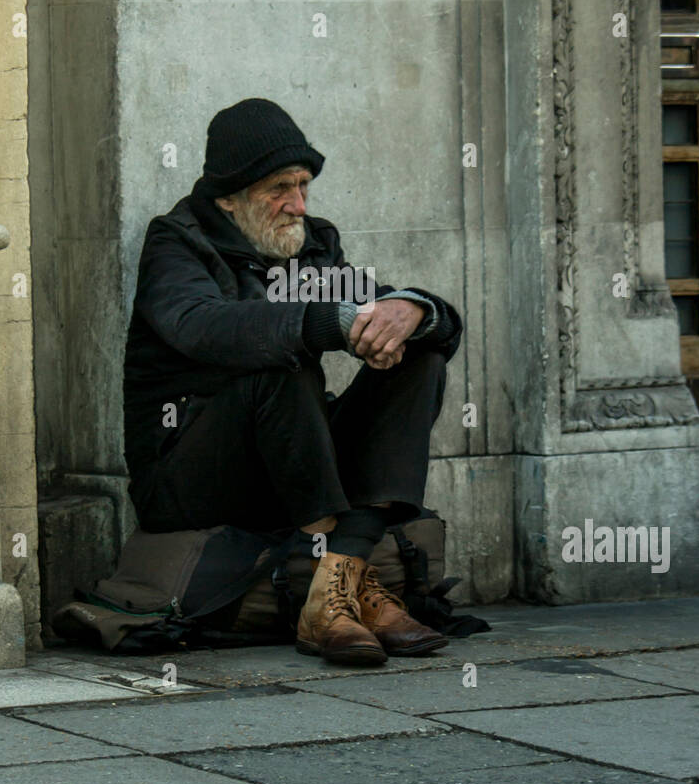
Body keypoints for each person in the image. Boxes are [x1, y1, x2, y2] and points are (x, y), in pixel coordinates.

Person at [122, 98, 463, 666]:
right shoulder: (177, 242)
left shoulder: (313, 246)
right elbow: (203, 327)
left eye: (303, 186)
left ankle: (340, 577)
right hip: (191, 474)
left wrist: (413, 311)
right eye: (281, 188)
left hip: (288, 460)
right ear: (231, 194)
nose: (297, 205)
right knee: (281, 357)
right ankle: (347, 585)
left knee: (415, 357)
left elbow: (406, 317)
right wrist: (327, 322)